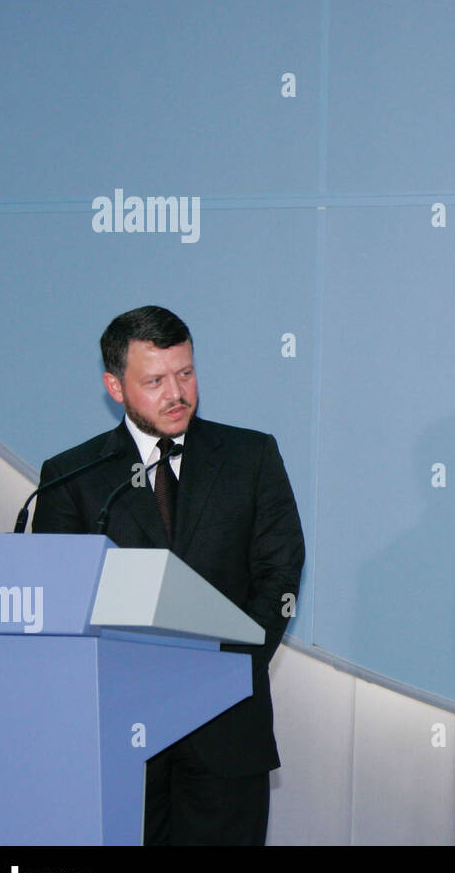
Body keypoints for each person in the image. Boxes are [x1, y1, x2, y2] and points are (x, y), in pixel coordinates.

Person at [32, 305, 305, 845]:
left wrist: (220, 673)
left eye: (185, 373)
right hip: (117, 734)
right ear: (115, 386)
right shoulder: (73, 477)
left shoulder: (251, 456)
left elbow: (279, 574)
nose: (176, 393)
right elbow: (61, 603)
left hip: (227, 724)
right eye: (155, 380)